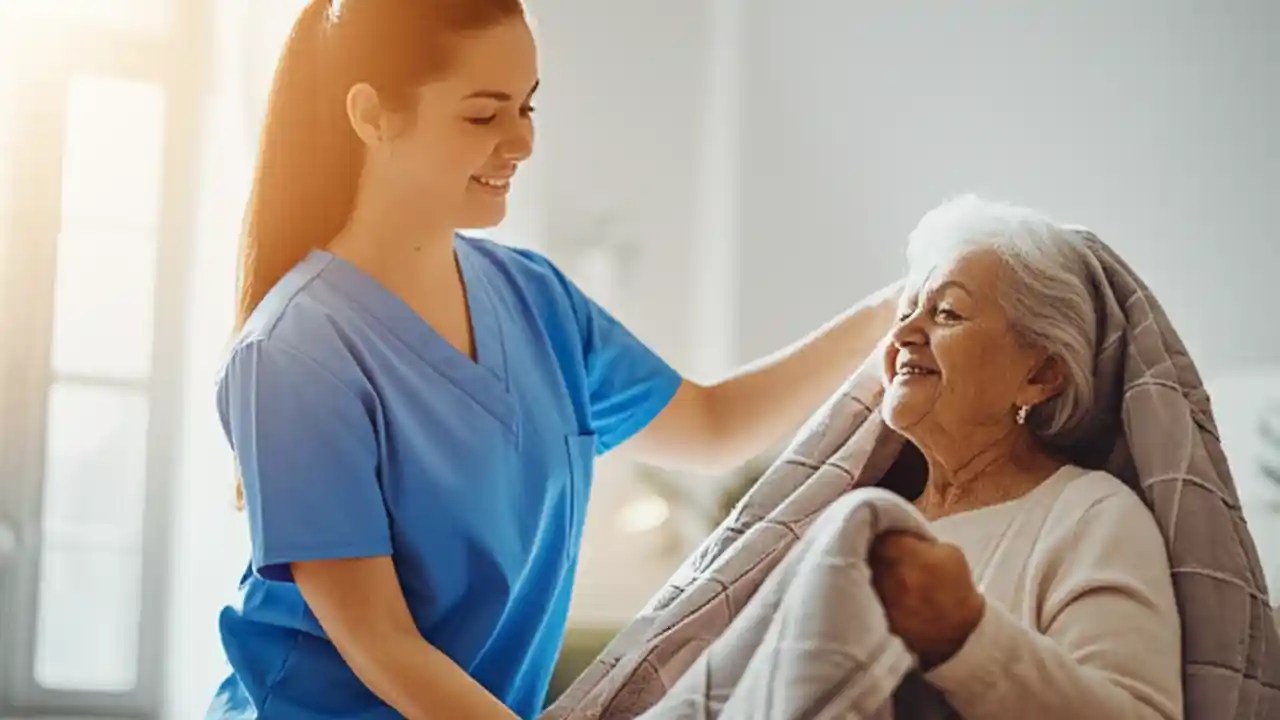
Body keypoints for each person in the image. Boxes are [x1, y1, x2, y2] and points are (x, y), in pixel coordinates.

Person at [207, 1, 899, 718]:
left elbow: (713, 425)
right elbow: (384, 645)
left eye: (527, 107)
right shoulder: (295, 353)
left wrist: (890, 316)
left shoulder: (535, 299)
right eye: (483, 115)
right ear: (373, 116)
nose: (522, 142)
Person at [867, 196, 1183, 719]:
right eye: (905, 313)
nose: (902, 334)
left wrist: (966, 638)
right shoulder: (867, 520)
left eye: (947, 312)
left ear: (1040, 377)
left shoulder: (1091, 516)